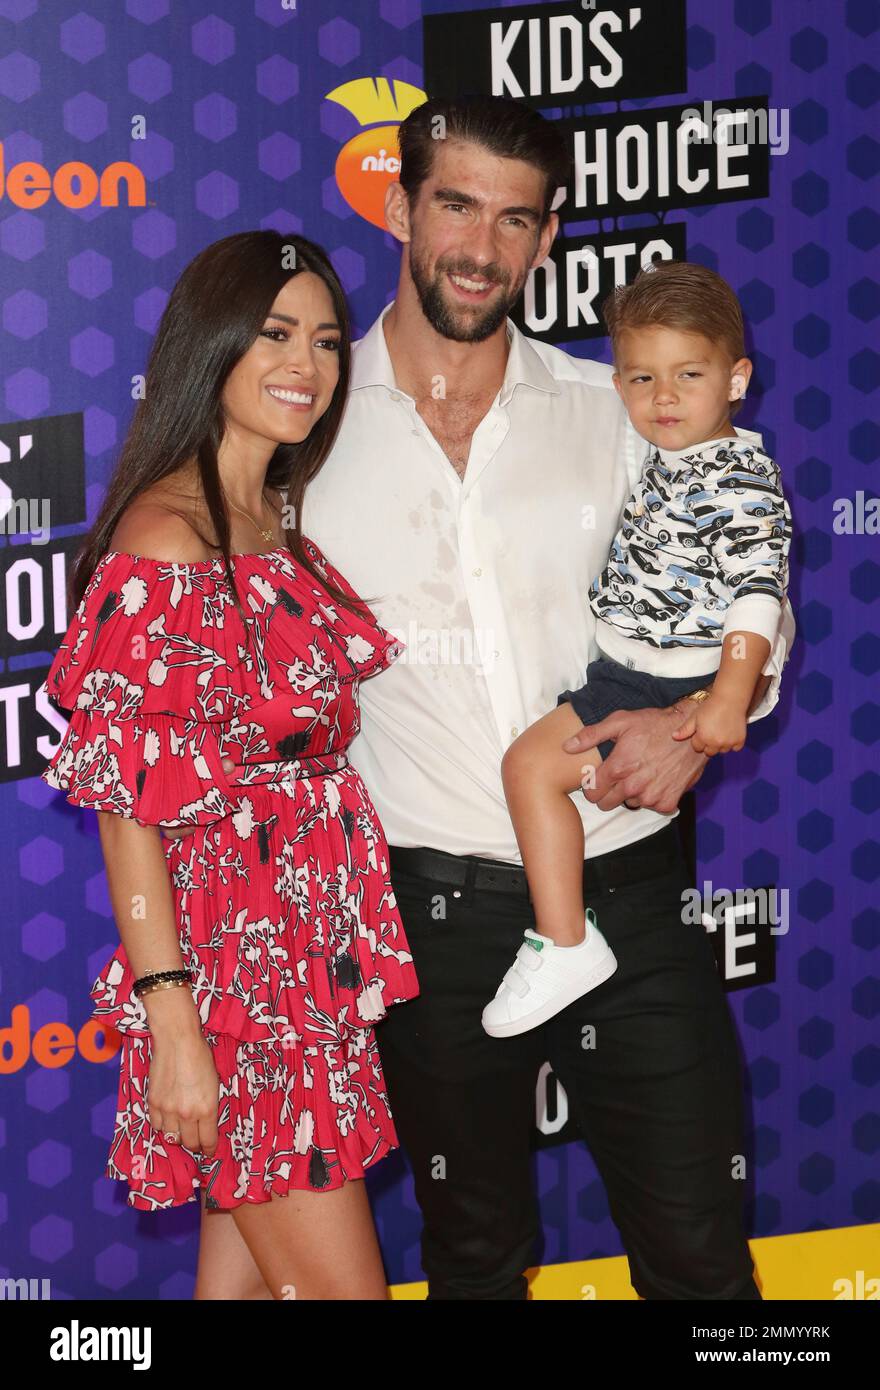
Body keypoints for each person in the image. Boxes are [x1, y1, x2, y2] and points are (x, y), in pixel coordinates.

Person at [294, 95, 796, 1302]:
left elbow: (740, 579)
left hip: (633, 897)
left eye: (514, 219)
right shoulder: (302, 424)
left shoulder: (610, 407)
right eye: (455, 205)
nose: (480, 247)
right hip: (434, 920)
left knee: (700, 1264)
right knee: (472, 1259)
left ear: (550, 234)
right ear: (401, 204)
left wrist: (694, 729)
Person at [40, 230, 419, 1301]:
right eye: (275, 333)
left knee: (242, 1291)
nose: (308, 363)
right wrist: (176, 1033)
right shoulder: (165, 545)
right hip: (234, 998)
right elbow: (128, 813)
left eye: (328, 340)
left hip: (306, 981)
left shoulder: (269, 524)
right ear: (212, 347)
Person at [482, 260, 792, 1037]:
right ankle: (564, 937)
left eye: (689, 374)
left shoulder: (740, 478)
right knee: (537, 773)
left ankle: (563, 941)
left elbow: (758, 593)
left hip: (655, 686)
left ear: (736, 378)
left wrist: (724, 698)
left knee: (528, 769)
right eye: (641, 378)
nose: (663, 398)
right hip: (625, 672)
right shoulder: (667, 454)